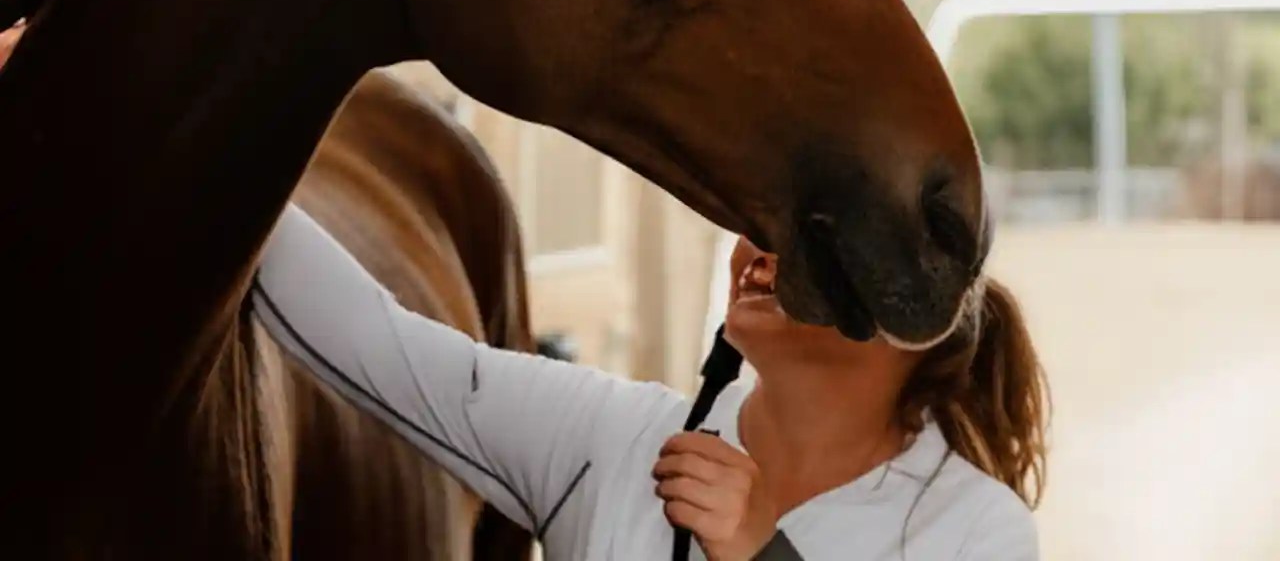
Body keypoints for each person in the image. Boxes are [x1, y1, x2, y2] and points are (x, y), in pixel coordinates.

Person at [253, 203, 1048, 560]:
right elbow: (370, 341)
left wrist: (761, 555)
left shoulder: (977, 532)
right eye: (759, 224)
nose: (754, 250)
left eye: (815, 238)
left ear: (912, 317)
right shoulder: (610, 440)